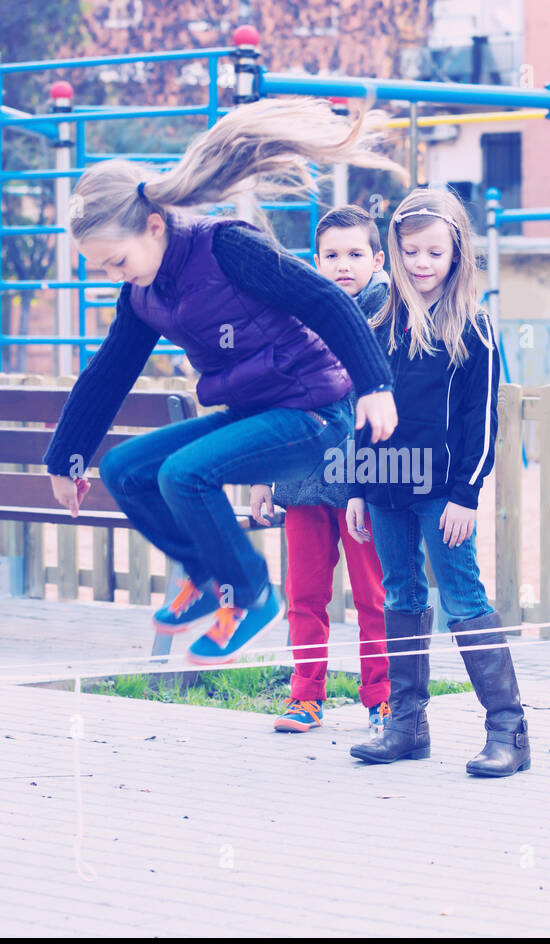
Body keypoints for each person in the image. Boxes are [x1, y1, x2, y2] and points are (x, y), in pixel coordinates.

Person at [44, 99, 400, 665]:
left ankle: (252, 593)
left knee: (184, 475)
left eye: (117, 261)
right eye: (104, 268)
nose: (115, 275)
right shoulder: (145, 293)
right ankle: (212, 579)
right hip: (256, 417)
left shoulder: (228, 247)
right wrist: (67, 459)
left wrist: (376, 385)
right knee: (125, 471)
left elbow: (325, 298)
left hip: (315, 415)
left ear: (154, 227)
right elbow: (108, 374)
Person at [346, 188, 530, 778]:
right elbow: (362, 408)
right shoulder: (376, 323)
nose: (422, 263)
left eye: (435, 252)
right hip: (384, 488)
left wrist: (465, 495)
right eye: (411, 252)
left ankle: (508, 729)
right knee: (399, 595)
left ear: (456, 255)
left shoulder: (474, 328)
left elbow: (482, 421)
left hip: (442, 494)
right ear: (395, 254)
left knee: (463, 598)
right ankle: (406, 724)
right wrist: (356, 485)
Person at [248, 205, 393, 735]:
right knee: (305, 594)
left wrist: (367, 482)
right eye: (331, 255)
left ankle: (383, 697)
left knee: (373, 596)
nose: (343, 265)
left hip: (365, 485)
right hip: (304, 481)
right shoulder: (295, 319)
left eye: (356, 254)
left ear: (377, 259)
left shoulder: (388, 317)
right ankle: (305, 696)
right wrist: (263, 474)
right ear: (316, 260)